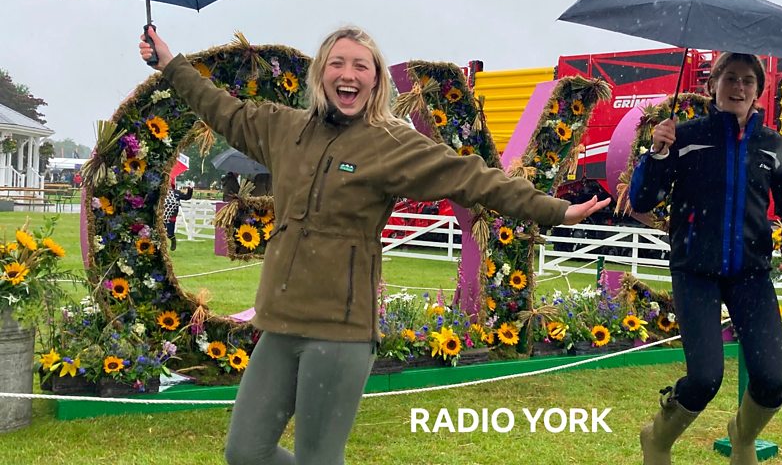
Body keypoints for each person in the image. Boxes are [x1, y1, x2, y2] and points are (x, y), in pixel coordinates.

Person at [139, 25, 609, 465]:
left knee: (318, 459)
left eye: (361, 66)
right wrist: (170, 63)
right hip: (279, 323)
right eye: (337, 63)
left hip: (340, 331)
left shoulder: (391, 144)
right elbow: (221, 108)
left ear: (376, 80)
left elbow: (472, 177)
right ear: (321, 74)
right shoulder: (283, 129)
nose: (348, 74)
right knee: (245, 452)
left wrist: (555, 210)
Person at [629, 52, 782, 465]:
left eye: (747, 80)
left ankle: (742, 439)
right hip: (695, 271)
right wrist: (657, 153)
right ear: (713, 85)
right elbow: (642, 199)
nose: (738, 87)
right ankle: (657, 439)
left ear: (758, 90)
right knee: (704, 379)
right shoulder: (685, 136)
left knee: (770, 382)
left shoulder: (773, 145)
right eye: (730, 78)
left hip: (750, 273)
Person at [163, 180, 194, 251]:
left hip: (172, 216)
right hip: (162, 216)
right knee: (161, 232)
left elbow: (187, 197)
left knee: (170, 233)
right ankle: (162, 248)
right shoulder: (162, 193)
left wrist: (190, 188)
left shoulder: (177, 192)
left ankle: (173, 240)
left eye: (169, 184)